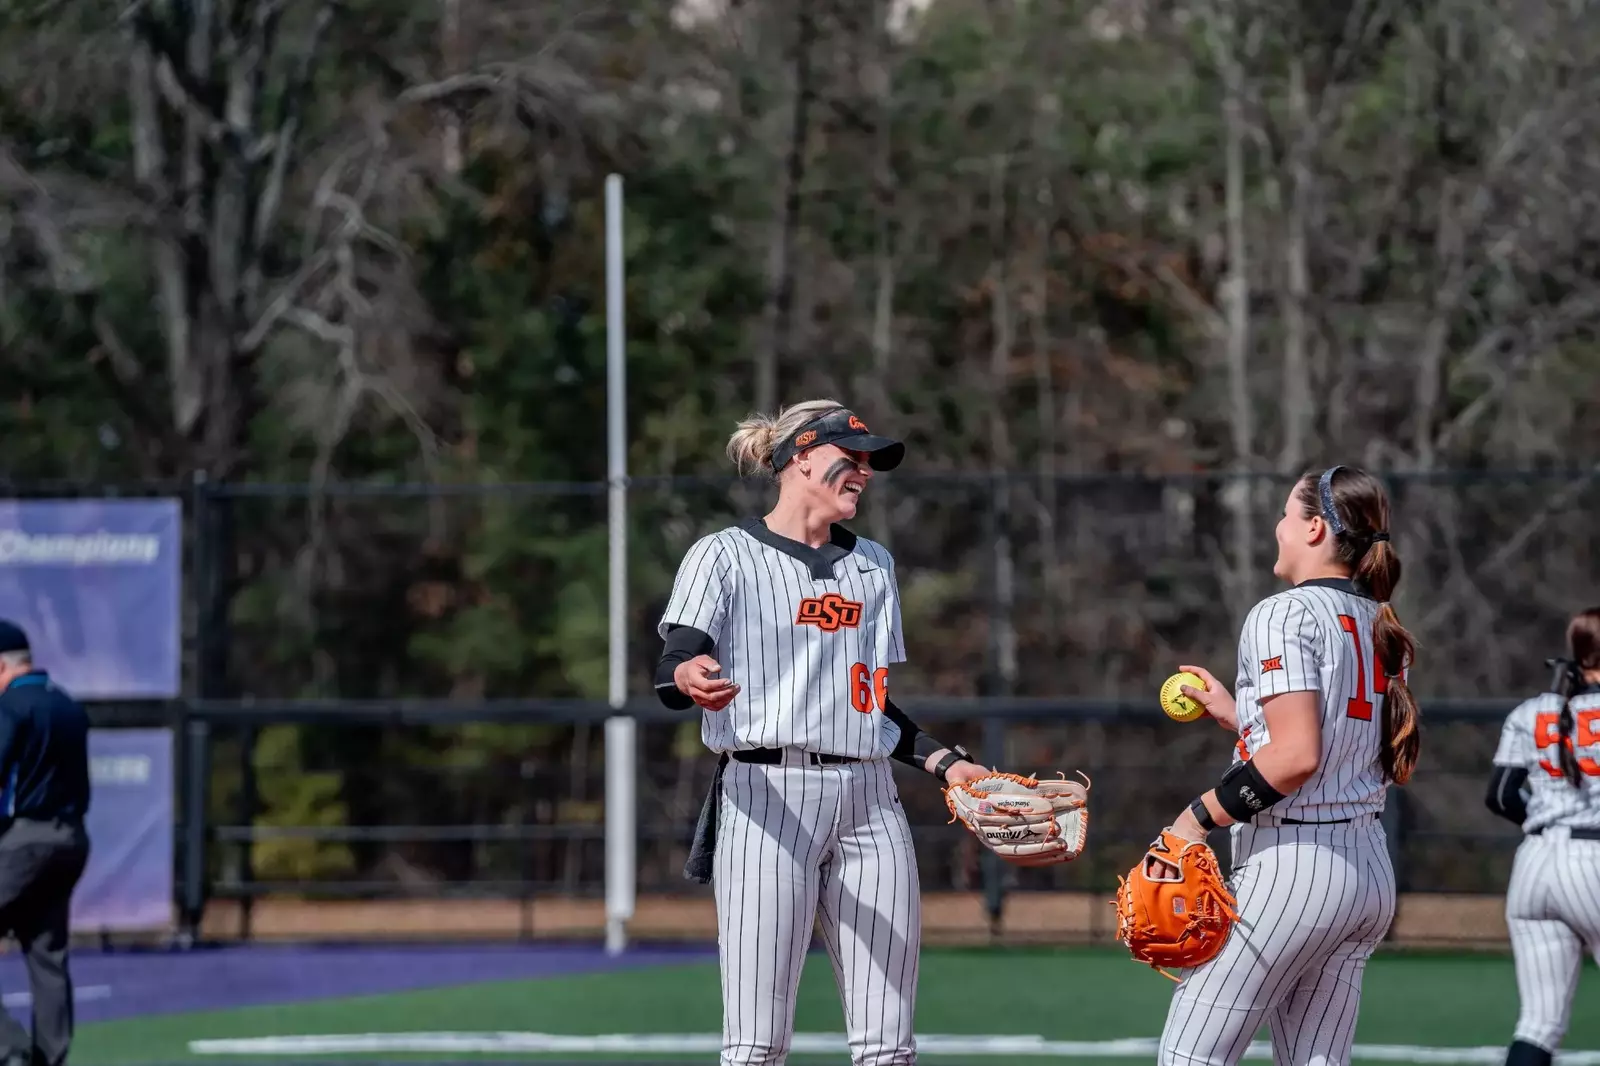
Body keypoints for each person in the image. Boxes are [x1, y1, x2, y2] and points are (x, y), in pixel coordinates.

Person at [656, 400, 996, 1066]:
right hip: (765, 798)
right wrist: (690, 676)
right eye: (852, 457)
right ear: (801, 456)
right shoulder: (722, 556)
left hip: (870, 804)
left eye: (870, 462)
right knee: (757, 1042)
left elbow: (872, 707)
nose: (864, 472)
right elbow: (674, 665)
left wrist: (948, 764)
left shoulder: (873, 565)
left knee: (889, 1042)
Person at [1141, 465, 1422, 1066]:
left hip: (1295, 866)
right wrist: (1243, 716)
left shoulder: (1284, 613)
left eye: (1287, 515)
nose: (1278, 527)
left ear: (1316, 528)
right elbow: (1329, 740)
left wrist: (1195, 819)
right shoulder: (1380, 619)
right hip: (1366, 869)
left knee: (1188, 1058)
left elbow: (1296, 757)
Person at [1483, 607, 1600, 1066]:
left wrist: (1548, 823)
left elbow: (1501, 796)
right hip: (1594, 860)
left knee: (1538, 1024)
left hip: (1534, 864)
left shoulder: (1532, 710)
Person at [0, 620, 92, 1066]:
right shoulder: (68, 705)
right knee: (46, 955)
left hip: (25, 841)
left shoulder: (12, 706)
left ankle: (11, 1051)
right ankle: (51, 1060)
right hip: (71, 839)